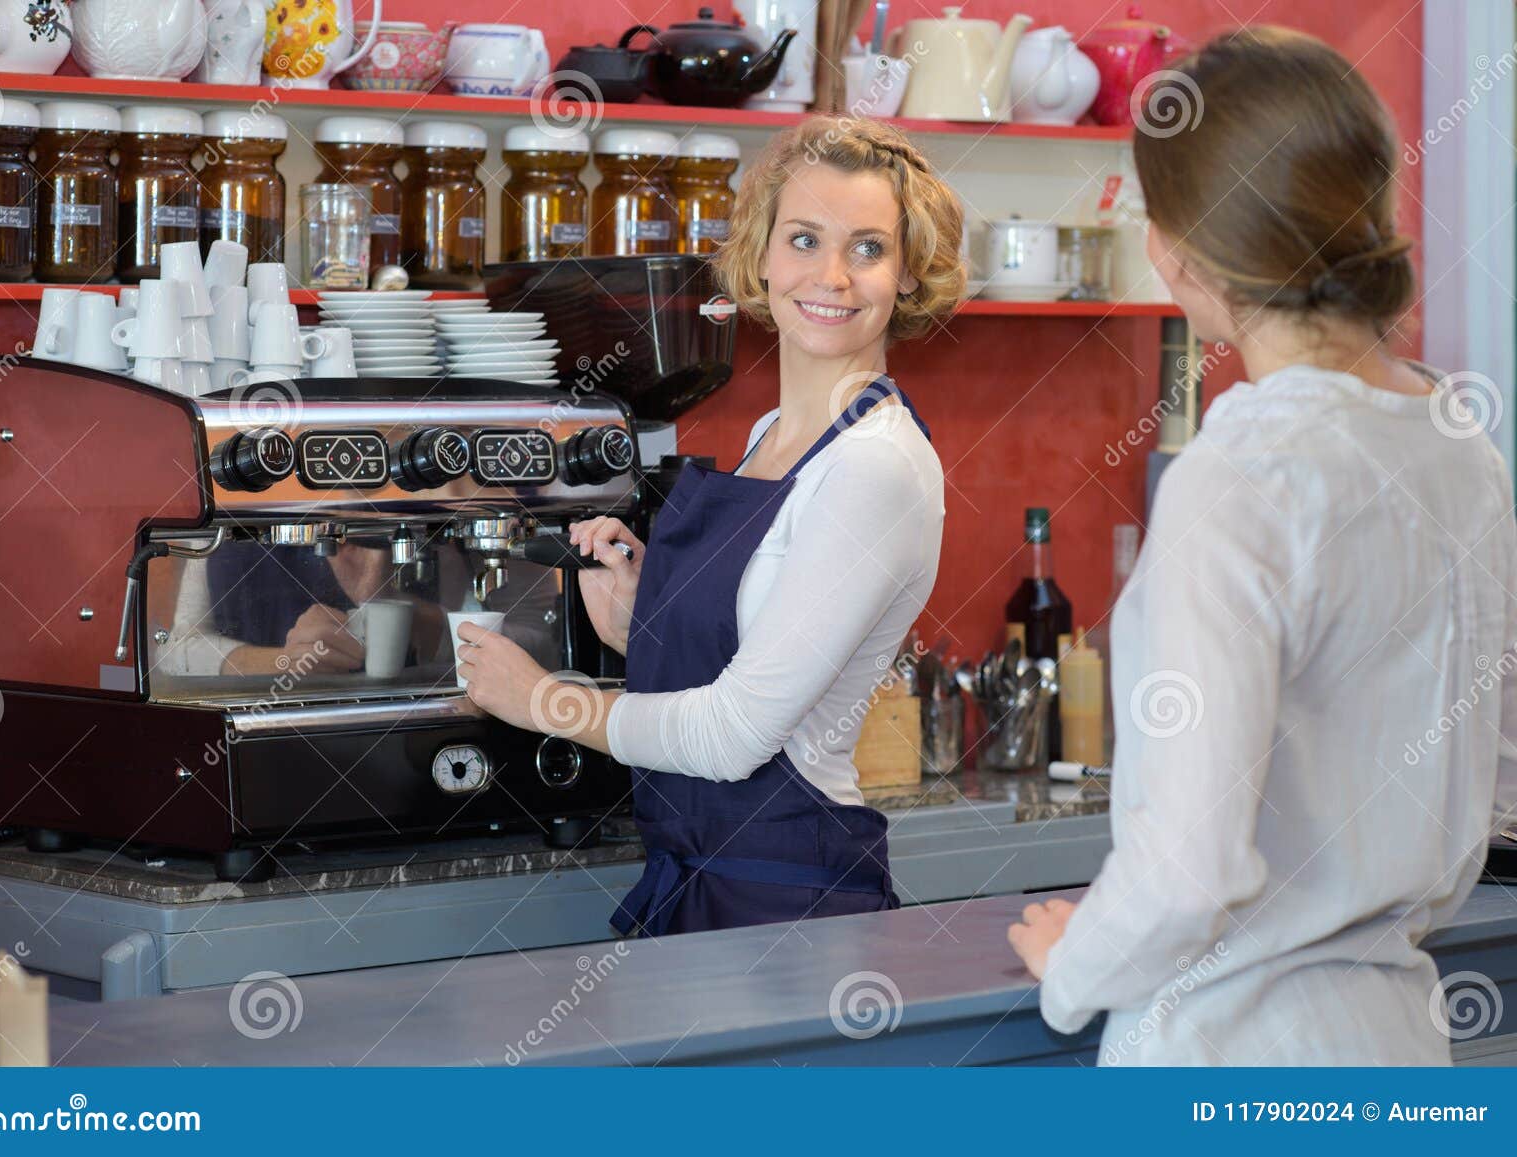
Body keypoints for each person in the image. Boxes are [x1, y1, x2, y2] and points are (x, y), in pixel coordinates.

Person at [1007, 27, 1517, 1064]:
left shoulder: (1234, 478)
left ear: (1174, 248)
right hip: (1400, 1044)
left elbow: (1187, 872)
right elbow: (1495, 775)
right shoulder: (1463, 448)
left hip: (1228, 1055)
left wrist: (1075, 965)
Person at [457, 116, 966, 935]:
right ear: (761, 257)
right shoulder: (773, 434)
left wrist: (543, 700)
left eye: (868, 248)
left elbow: (734, 736)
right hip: (701, 885)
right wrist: (647, 624)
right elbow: (763, 666)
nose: (831, 275)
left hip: (791, 902)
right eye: (804, 238)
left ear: (908, 275)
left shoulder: (875, 465)